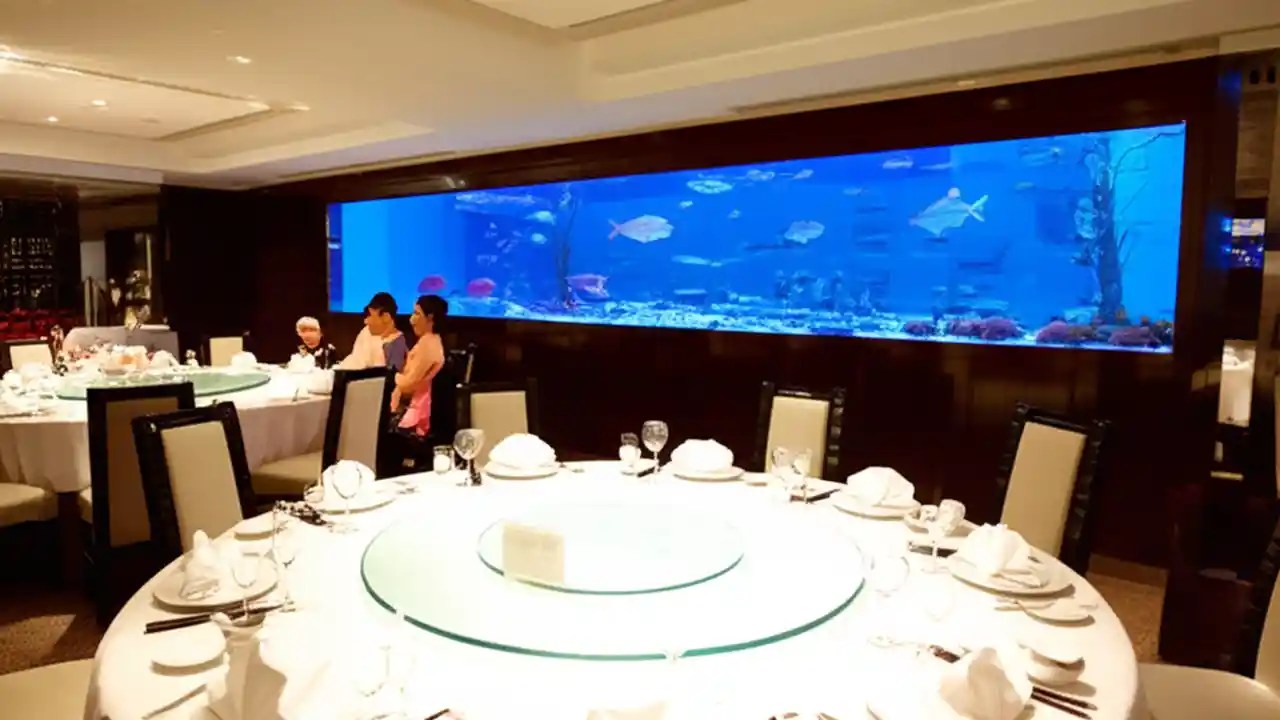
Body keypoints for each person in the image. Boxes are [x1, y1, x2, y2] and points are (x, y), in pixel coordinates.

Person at [392, 295, 448, 437]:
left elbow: (408, 384)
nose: (411, 320)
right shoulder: (428, 342)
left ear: (430, 317)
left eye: (417, 314)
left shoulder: (428, 346)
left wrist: (389, 377)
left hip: (414, 416)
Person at [338, 292, 408, 371]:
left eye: (370, 315)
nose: (366, 321)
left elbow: (392, 377)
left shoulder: (396, 343)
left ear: (386, 317)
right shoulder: (366, 331)